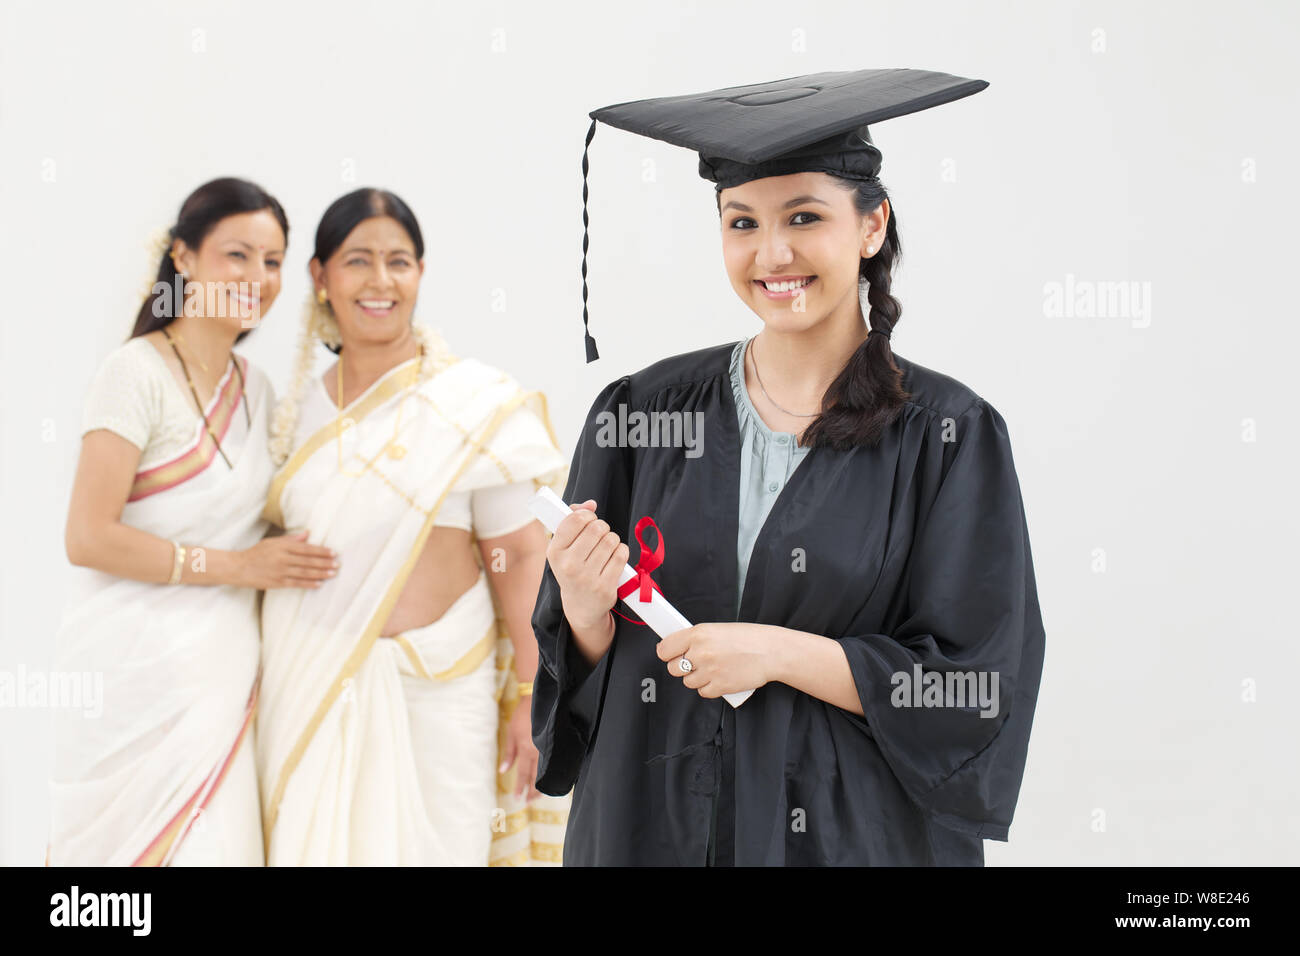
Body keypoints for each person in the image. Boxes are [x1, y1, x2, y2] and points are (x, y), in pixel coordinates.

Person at [531, 68, 1046, 865]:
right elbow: (579, 681)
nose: (772, 253)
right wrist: (588, 610)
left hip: (850, 837)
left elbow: (974, 687)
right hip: (650, 824)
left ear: (872, 226)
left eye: (804, 217)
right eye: (742, 223)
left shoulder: (947, 435)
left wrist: (780, 654)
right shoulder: (642, 413)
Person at [256, 188, 571, 865]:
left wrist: (530, 695)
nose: (380, 281)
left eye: (399, 262)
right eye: (358, 261)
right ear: (320, 277)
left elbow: (519, 555)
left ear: (421, 275)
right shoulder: (291, 414)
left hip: (438, 688)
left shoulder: (470, 405)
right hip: (309, 686)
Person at [49, 177, 338, 866]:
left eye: (272, 262)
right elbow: (86, 537)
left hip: (221, 682)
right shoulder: (134, 374)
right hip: (130, 676)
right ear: (183, 257)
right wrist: (238, 568)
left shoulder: (258, 389)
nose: (257, 278)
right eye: (236, 255)